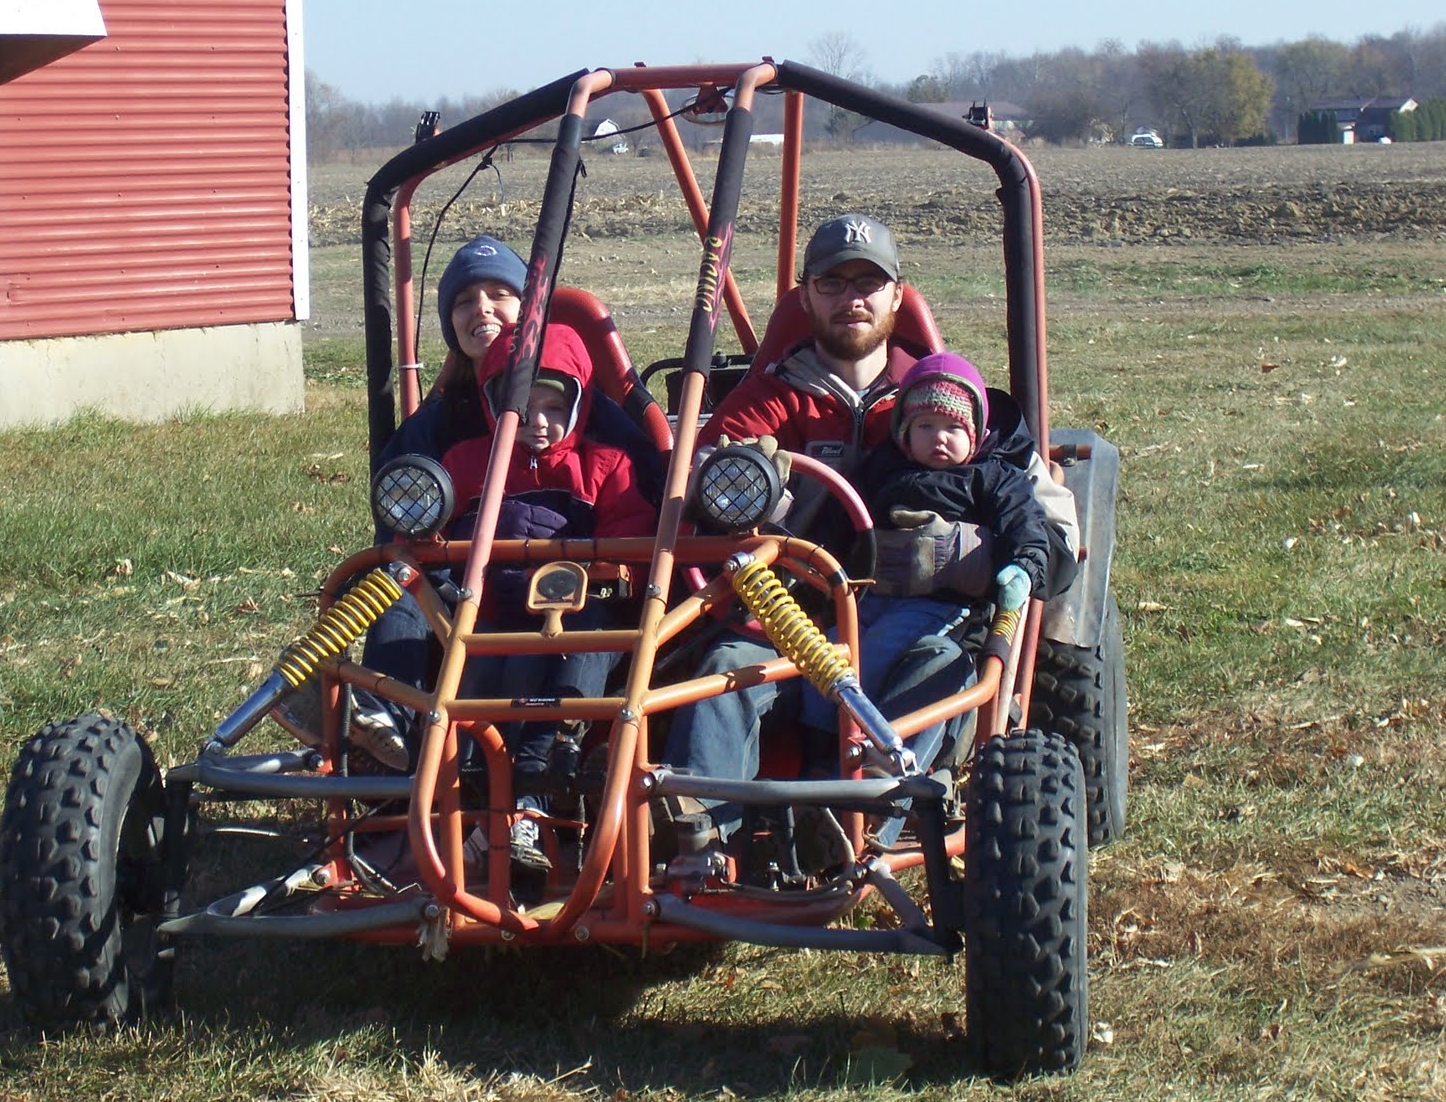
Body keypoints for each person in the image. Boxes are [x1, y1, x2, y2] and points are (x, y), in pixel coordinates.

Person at [660, 213, 1074, 853]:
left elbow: (1049, 525)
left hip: (916, 630)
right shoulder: (763, 404)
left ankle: (853, 818)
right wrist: (755, 504)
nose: (852, 298)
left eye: (869, 283)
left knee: (944, 667)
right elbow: (696, 511)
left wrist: (990, 557)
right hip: (787, 625)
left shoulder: (951, 400)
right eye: (832, 283)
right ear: (805, 296)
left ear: (897, 295)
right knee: (723, 671)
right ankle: (700, 837)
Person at [351, 235, 661, 766]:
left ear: (531, 308)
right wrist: (434, 565)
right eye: (465, 302)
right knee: (395, 584)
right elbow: (404, 520)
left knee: (577, 636)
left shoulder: (600, 435)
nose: (482, 310)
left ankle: (552, 754)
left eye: (499, 295)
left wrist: (606, 569)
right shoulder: (445, 432)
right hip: (476, 597)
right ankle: (389, 725)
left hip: (570, 602)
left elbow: (638, 501)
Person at [797, 350, 1054, 844]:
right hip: (868, 596)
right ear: (903, 432)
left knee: (867, 659)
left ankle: (872, 788)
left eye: (953, 429)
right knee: (822, 655)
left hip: (940, 606)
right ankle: (818, 755)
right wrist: (812, 566)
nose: (939, 438)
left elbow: (1027, 526)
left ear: (975, 436)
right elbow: (839, 520)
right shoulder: (881, 471)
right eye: (926, 426)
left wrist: (1021, 568)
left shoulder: (989, 477)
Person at [438, 322, 658, 877]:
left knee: (578, 644)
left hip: (575, 620)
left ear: (581, 407)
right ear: (493, 407)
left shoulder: (606, 466)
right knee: (474, 689)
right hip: (485, 617)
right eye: (520, 407)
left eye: (553, 408)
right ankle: (468, 813)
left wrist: (602, 567)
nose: (537, 422)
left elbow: (638, 543)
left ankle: (537, 792)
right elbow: (426, 536)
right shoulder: (469, 464)